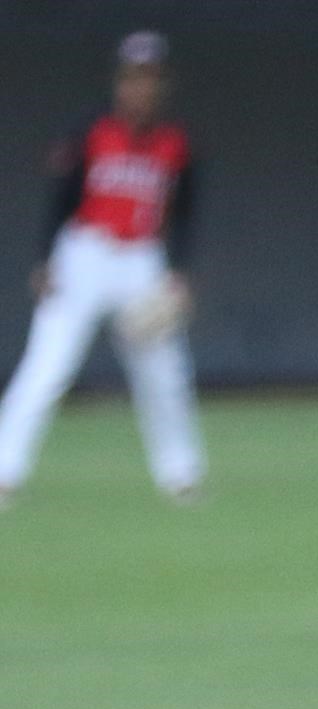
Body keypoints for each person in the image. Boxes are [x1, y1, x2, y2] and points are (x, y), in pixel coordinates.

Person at [0, 30, 205, 507]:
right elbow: (61, 198)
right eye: (134, 77)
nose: (141, 87)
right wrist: (46, 258)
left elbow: (187, 210)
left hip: (141, 259)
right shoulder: (91, 130)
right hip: (85, 253)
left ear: (162, 84)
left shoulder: (175, 143)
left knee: (166, 373)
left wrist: (180, 270)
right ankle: (4, 469)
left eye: (150, 77)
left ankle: (182, 474)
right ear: (119, 81)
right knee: (47, 367)